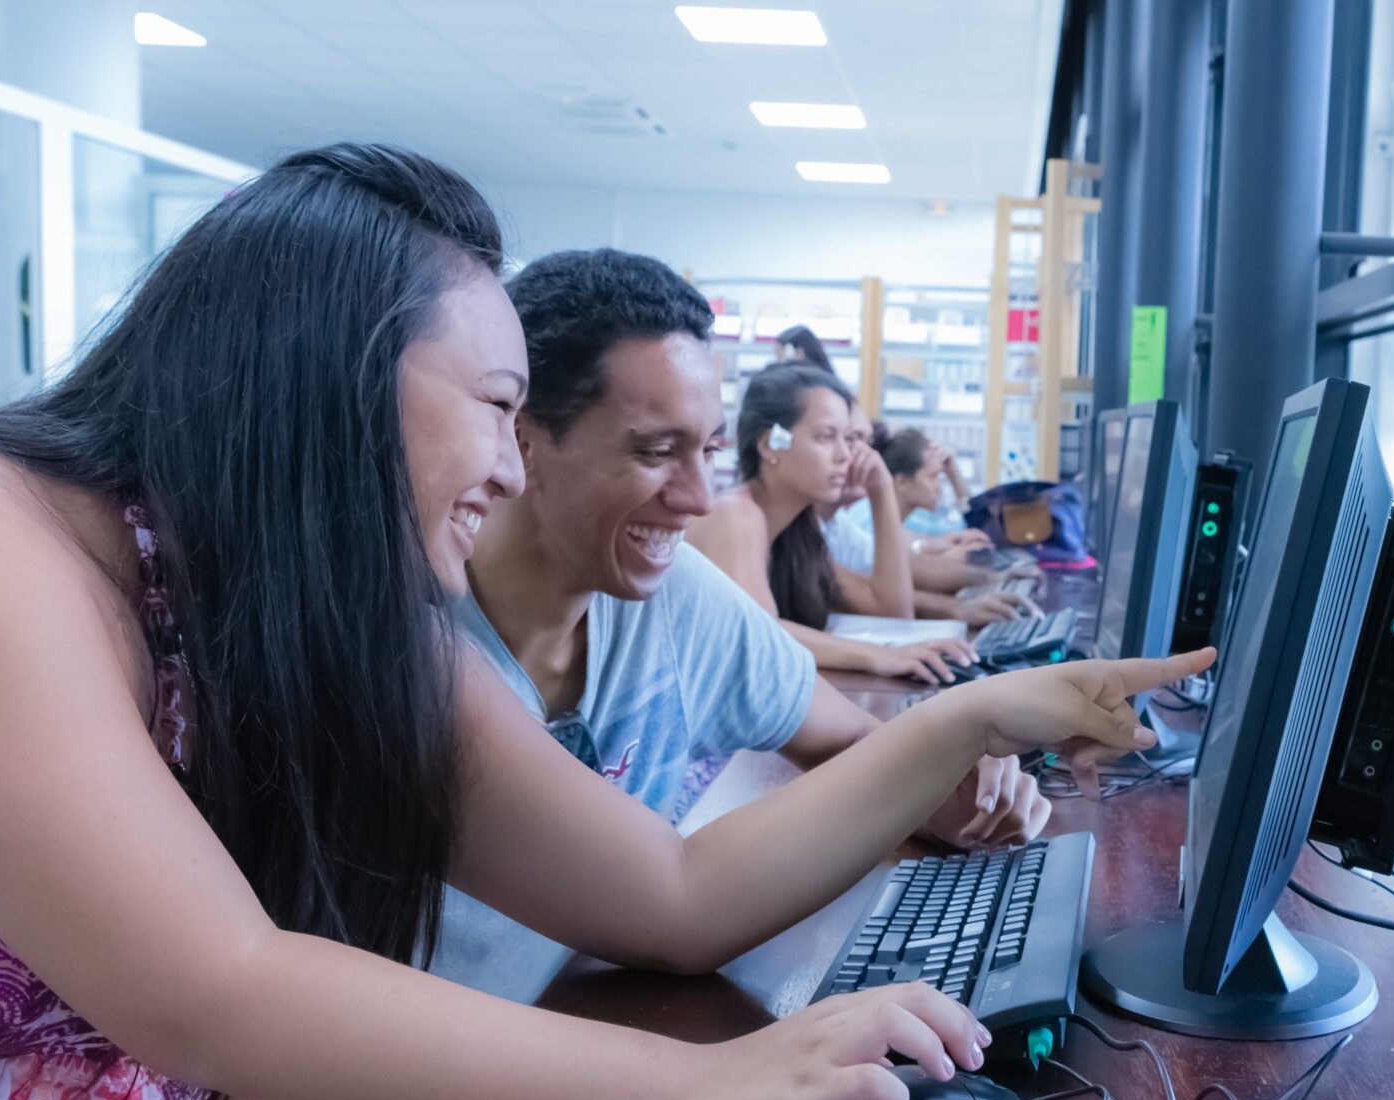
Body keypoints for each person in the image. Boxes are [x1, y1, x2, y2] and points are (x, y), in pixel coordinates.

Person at [0, 142, 1215, 1100]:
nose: (503, 465)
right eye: (495, 408)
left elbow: (667, 896)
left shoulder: (308, 604)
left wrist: (967, 717)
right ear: (335, 372)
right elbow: (217, 991)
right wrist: (704, 1085)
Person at [434, 248, 1051, 1005]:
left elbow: (849, 739)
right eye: (658, 452)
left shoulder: (672, 595)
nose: (697, 497)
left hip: (588, 1015)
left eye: (711, 451)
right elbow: (681, 908)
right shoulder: (423, 651)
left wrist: (959, 796)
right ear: (523, 436)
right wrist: (962, 724)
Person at [687, 363, 977, 685]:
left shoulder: (797, 532)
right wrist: (879, 656)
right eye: (826, 437)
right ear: (772, 445)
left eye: (847, 439)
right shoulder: (736, 514)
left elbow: (894, 612)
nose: (846, 455)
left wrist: (882, 493)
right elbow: (760, 633)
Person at [821, 413, 1035, 627]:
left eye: (865, 442)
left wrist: (995, 578)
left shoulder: (839, 525)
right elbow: (892, 604)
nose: (867, 455)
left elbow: (910, 563)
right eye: (851, 438)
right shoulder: (861, 515)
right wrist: (882, 489)